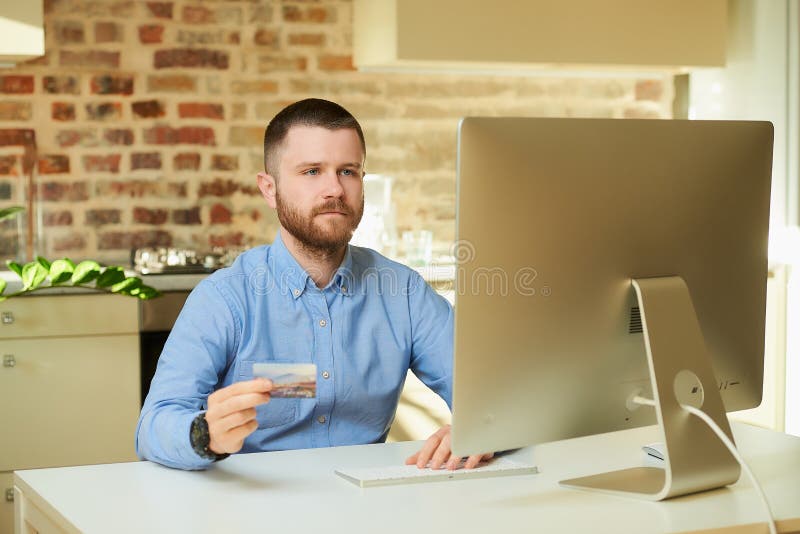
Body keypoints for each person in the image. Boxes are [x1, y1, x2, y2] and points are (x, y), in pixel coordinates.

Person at [136, 98, 492, 471]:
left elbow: (489, 395)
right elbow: (153, 426)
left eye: (348, 171)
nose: (335, 190)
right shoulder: (224, 299)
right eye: (311, 171)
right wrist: (204, 434)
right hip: (250, 509)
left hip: (366, 507)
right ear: (269, 189)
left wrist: (476, 430)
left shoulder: (402, 292)